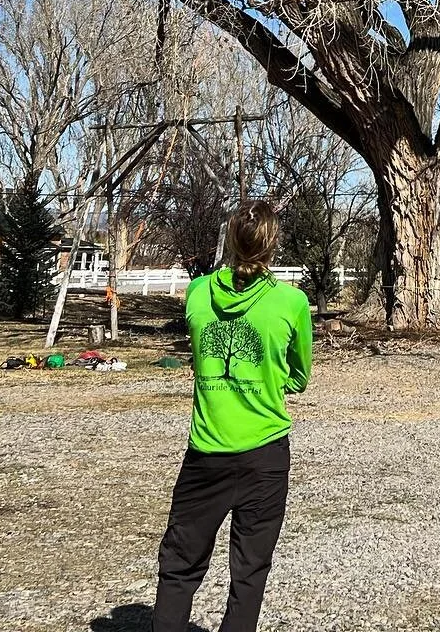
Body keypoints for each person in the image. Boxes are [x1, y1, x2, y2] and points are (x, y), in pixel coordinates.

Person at [153, 200, 313, 632]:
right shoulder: (292, 302)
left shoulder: (198, 292)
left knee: (179, 566)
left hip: (206, 451)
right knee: (249, 571)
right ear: (273, 245)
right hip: (265, 454)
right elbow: (300, 375)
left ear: (229, 240)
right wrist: (270, 380)